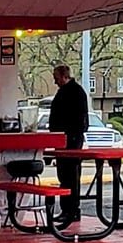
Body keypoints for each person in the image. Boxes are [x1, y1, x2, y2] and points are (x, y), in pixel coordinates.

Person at [48, 64, 89, 226]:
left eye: (56, 78)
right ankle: (68, 209)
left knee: (69, 176)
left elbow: (79, 119)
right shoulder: (72, 91)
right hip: (66, 138)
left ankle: (71, 210)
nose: (55, 81)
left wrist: (68, 135)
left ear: (64, 76)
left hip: (70, 139)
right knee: (65, 176)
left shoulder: (74, 93)